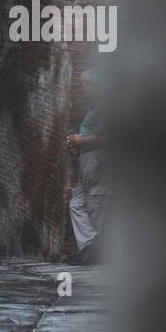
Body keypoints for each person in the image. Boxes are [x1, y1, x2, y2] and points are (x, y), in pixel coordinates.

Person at [66, 72, 106, 264]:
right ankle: (91, 245)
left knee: (96, 205)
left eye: (85, 86)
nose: (82, 89)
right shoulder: (93, 108)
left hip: (99, 163)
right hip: (87, 163)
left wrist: (80, 140)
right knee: (76, 204)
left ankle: (101, 254)